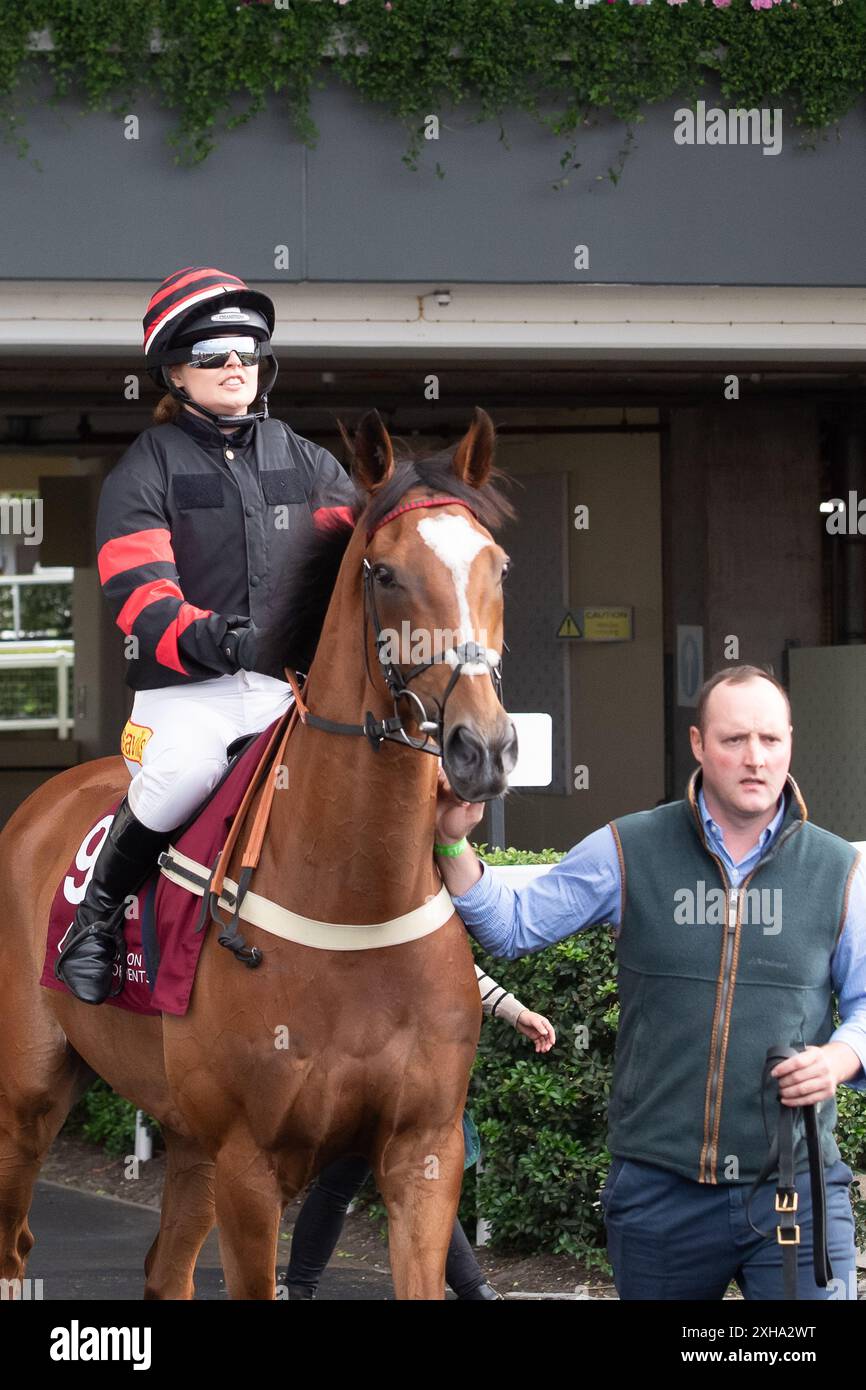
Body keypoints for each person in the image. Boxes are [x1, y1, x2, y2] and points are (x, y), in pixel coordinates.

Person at [434, 665, 866, 1300]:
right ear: (697, 744)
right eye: (734, 739)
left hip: (793, 1190)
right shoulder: (629, 848)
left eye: (771, 740)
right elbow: (513, 926)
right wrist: (450, 842)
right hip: (660, 1194)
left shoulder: (839, 871)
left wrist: (840, 1056)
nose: (755, 758)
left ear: (791, 743)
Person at [55, 267, 356, 1006]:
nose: (234, 366)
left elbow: (355, 575)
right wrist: (235, 643)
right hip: (189, 695)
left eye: (248, 352)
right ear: (175, 370)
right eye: (216, 352)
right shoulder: (144, 469)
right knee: (183, 774)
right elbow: (143, 602)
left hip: (287, 688)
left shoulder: (310, 462)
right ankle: (91, 922)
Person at [283, 965, 556, 1301]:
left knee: (345, 1184)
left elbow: (447, 963)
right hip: (390, 1070)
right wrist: (515, 1012)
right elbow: (447, 963)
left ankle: (296, 1289)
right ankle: (476, 1291)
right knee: (412, 1185)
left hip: (381, 1071)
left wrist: (516, 1012)